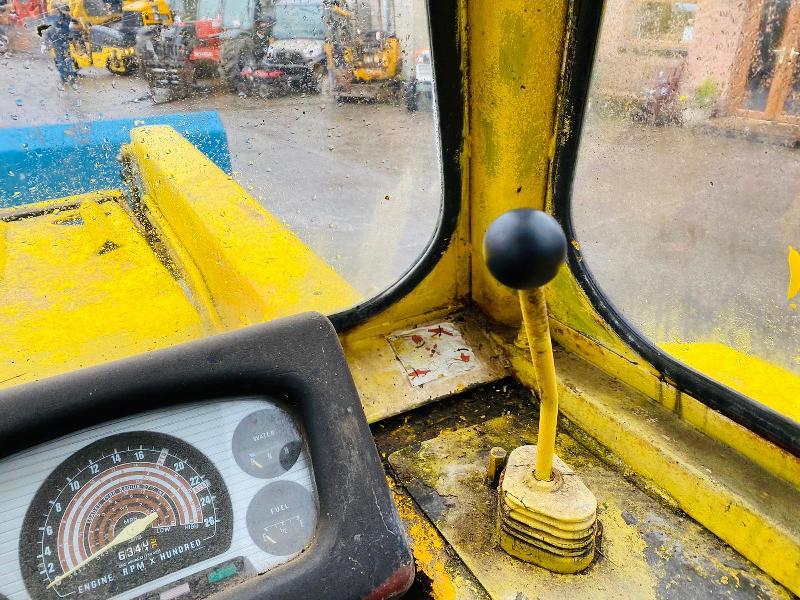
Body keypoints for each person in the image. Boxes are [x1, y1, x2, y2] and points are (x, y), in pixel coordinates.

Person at [46, 3, 78, 86]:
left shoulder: (63, 19)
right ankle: (65, 77)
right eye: (52, 10)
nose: (53, 12)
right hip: (56, 44)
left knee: (66, 60)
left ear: (57, 10)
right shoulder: (51, 20)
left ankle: (70, 77)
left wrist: (72, 40)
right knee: (60, 61)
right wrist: (48, 43)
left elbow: (68, 31)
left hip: (63, 43)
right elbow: (48, 32)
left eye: (54, 10)